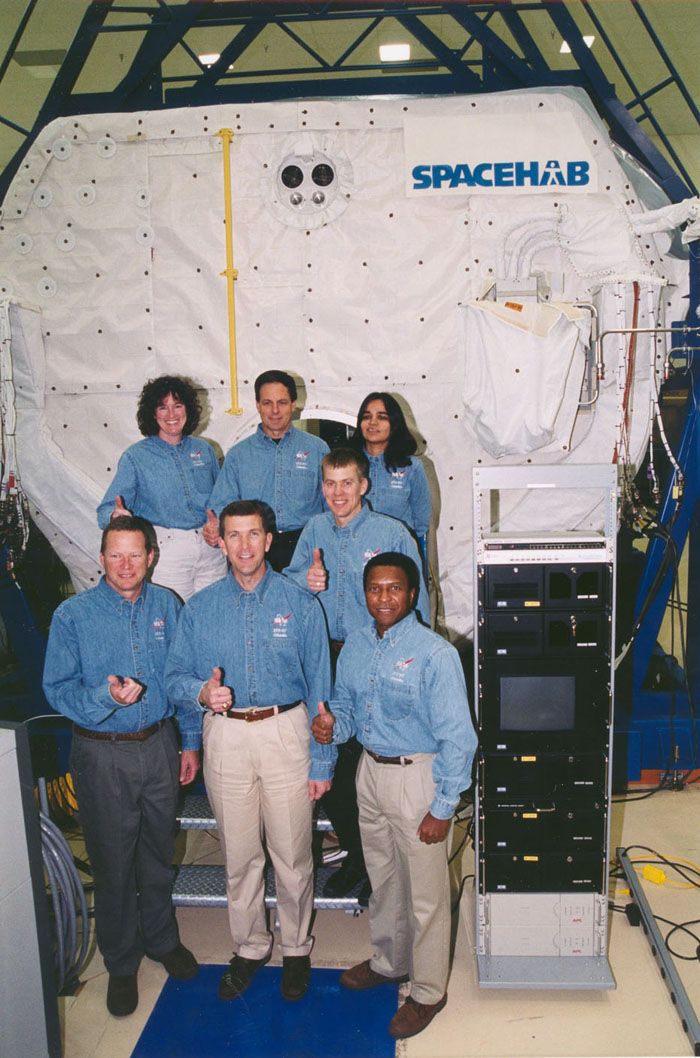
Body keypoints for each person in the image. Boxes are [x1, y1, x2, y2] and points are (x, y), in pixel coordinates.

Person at [165, 500, 334, 1003]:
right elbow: (175, 677)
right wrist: (201, 695)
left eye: (252, 535)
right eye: (233, 535)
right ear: (221, 541)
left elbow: (321, 688)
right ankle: (251, 945)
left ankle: (297, 948)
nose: (242, 545)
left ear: (269, 539)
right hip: (227, 736)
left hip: (286, 730)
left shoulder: (301, 603)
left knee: (292, 852)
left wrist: (322, 760)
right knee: (239, 854)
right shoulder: (200, 608)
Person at [312, 553, 476, 1041]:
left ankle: (428, 991)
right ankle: (389, 961)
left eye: (394, 589)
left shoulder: (435, 654)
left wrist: (443, 805)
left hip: (418, 777)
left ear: (411, 594)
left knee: (425, 895)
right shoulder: (358, 646)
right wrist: (330, 726)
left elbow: (458, 738)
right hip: (369, 772)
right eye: (375, 589)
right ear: (365, 593)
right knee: (382, 879)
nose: (384, 598)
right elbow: (344, 707)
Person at [42, 515, 200, 1018]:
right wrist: (104, 696)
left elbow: (182, 678)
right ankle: (122, 962)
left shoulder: (168, 606)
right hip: (100, 752)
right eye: (116, 555)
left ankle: (161, 939)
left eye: (136, 554)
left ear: (151, 556)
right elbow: (58, 688)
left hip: (159, 745)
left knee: (157, 850)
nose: (126, 565)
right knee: (112, 863)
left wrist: (189, 743)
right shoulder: (74, 615)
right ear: (101, 557)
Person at [284, 448, 429, 899]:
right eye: (330, 483)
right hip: (325, 658)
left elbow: (418, 599)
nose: (338, 493)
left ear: (364, 486)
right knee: (330, 762)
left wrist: (413, 660)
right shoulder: (313, 530)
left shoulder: (392, 532)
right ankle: (359, 857)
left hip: (377, 654)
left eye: (347, 483)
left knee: (382, 760)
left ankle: (390, 870)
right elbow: (286, 584)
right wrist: (301, 583)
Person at [96, 375, 226, 601]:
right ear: (152, 413)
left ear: (188, 409)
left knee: (213, 616)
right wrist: (115, 516)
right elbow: (104, 511)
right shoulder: (136, 457)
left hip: (212, 551)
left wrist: (219, 523)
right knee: (172, 619)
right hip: (168, 553)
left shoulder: (204, 451)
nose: (172, 415)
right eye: (162, 407)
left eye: (177, 406)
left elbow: (222, 499)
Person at [205, 370, 329, 571]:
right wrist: (214, 527)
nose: (275, 410)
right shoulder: (238, 454)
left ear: (294, 404)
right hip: (253, 548)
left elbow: (331, 503)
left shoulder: (317, 449)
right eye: (267, 403)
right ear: (257, 405)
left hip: (305, 547)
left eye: (282, 402)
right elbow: (221, 505)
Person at [350, 392, 431, 539]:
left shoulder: (412, 467)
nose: (372, 422)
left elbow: (421, 522)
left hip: (397, 551)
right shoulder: (347, 464)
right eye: (367, 417)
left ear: (394, 424)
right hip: (354, 549)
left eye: (382, 417)